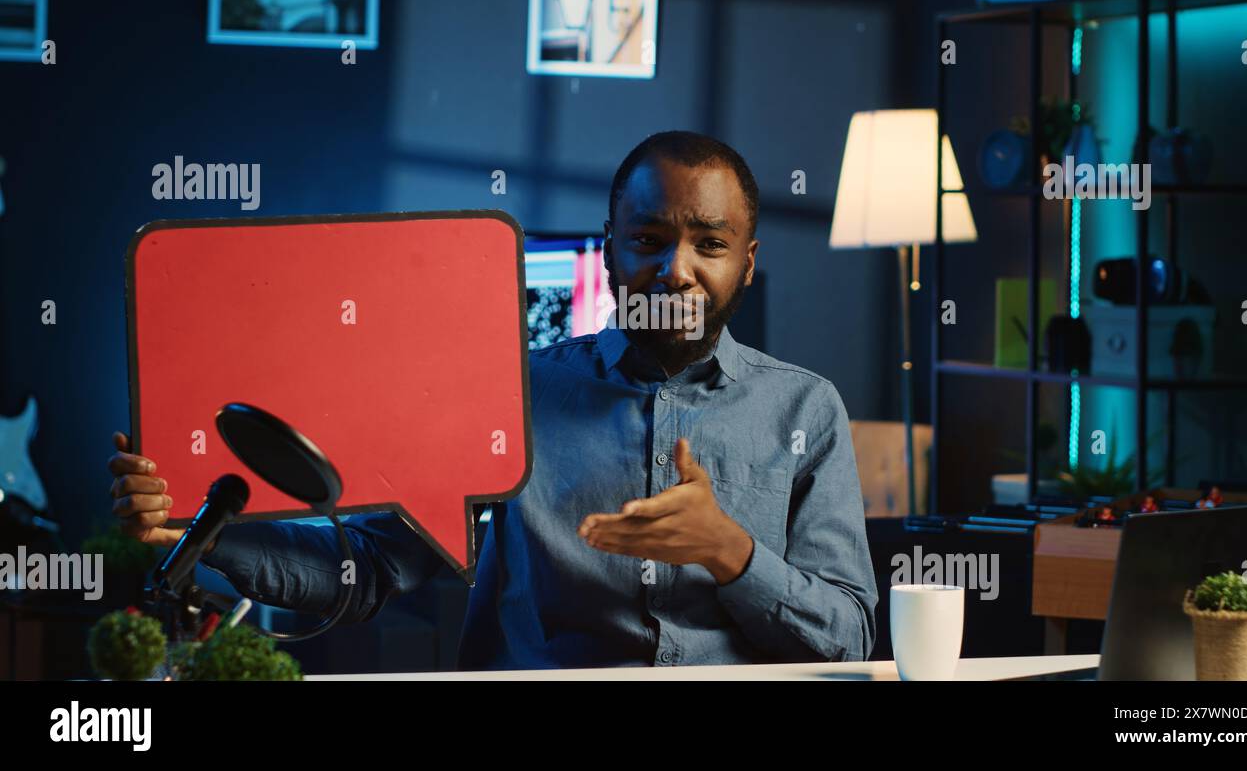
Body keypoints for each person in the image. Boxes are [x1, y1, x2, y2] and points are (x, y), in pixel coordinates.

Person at [107, 131, 878, 669]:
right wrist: (200, 528)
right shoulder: (507, 394)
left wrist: (728, 550)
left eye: (710, 243)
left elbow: (850, 638)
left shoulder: (804, 413)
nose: (675, 270)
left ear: (748, 262)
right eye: (647, 239)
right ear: (610, 247)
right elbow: (366, 569)